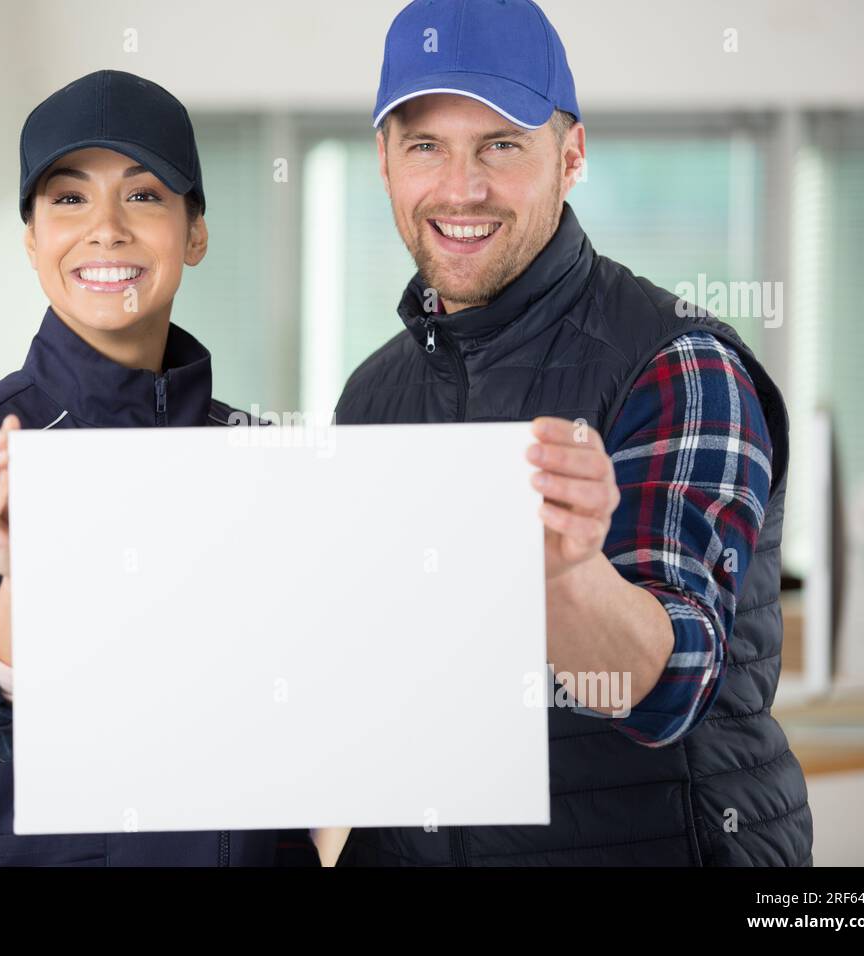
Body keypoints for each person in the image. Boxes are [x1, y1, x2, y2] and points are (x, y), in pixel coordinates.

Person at [323, 0, 812, 866]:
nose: (460, 188)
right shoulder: (372, 393)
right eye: (425, 145)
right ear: (385, 163)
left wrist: (567, 576)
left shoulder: (677, 364)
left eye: (500, 145)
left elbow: (663, 689)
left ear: (571, 155)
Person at [0, 70, 315, 866]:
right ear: (31, 237)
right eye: (69, 198)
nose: (107, 229)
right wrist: (29, 576)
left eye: (145, 196)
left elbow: (303, 723)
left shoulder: (262, 460)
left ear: (195, 234)